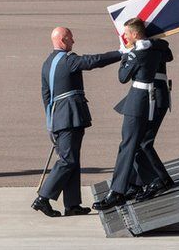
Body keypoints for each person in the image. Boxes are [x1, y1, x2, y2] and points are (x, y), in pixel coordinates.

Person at [32, 27, 122, 218]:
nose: (74, 41)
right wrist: (120, 53)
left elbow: (45, 96)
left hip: (59, 117)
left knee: (72, 159)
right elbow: (93, 61)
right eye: (71, 38)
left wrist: (51, 122)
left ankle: (72, 204)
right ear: (63, 41)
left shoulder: (47, 63)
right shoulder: (68, 60)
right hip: (70, 116)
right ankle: (43, 197)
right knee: (68, 160)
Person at [92, 18, 168, 210]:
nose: (124, 36)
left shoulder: (136, 53)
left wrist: (126, 54)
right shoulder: (155, 47)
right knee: (137, 145)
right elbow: (167, 52)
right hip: (149, 98)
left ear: (135, 34)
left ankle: (118, 191)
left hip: (138, 100)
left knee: (127, 145)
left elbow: (122, 77)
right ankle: (148, 181)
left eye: (126, 33)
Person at [131, 30, 174, 202]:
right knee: (137, 142)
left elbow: (167, 53)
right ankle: (135, 183)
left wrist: (149, 43)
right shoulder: (141, 48)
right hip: (147, 99)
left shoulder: (155, 47)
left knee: (143, 142)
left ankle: (161, 180)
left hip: (155, 98)